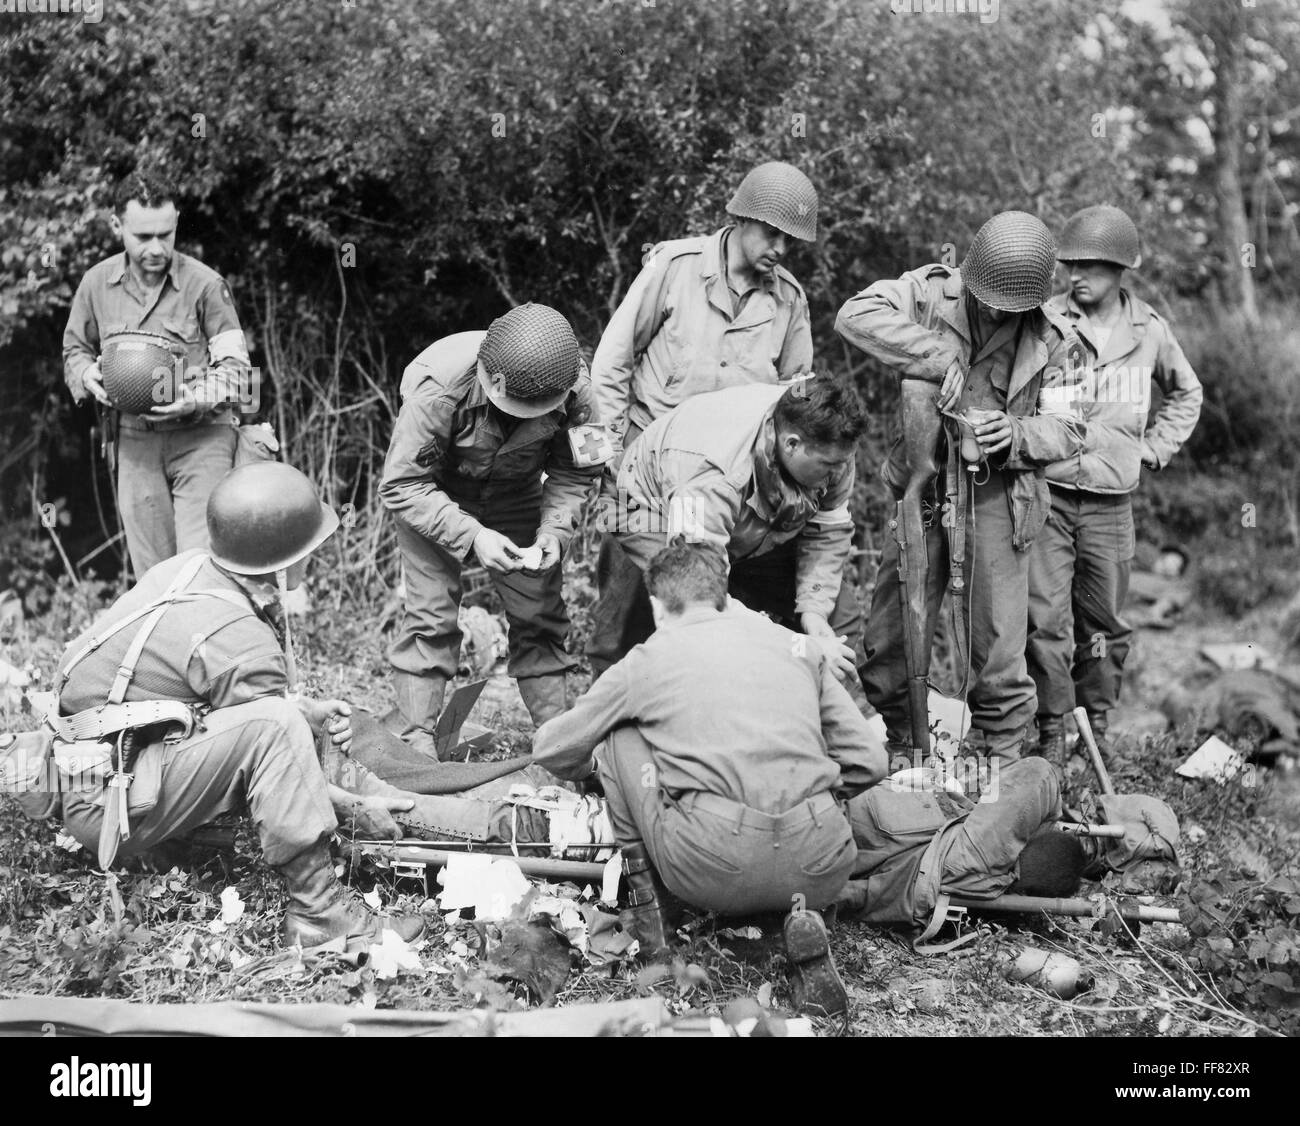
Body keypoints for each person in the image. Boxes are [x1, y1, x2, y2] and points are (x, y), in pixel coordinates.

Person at [47, 462, 423, 951]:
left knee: (281, 717)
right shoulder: (239, 636)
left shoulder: (189, 568)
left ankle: (167, 846)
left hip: (91, 773)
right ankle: (319, 914)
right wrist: (356, 807)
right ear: (283, 561)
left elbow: (208, 688)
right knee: (276, 727)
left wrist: (301, 708)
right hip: (108, 808)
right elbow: (272, 744)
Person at [534, 540, 888, 1012]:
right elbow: (870, 759)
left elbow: (552, 746)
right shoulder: (794, 645)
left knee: (618, 737)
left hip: (711, 868)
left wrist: (593, 770)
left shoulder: (648, 658)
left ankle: (653, 921)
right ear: (724, 595)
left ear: (658, 606)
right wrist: (807, 794)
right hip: (822, 863)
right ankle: (788, 925)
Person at [835, 211, 1086, 763]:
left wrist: (1015, 432)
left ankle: (998, 757)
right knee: (891, 629)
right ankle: (906, 742)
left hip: (1000, 492)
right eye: (990, 296)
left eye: (1011, 306)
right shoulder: (930, 293)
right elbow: (855, 315)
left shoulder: (1057, 340)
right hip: (921, 484)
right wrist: (932, 352)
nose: (996, 310)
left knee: (997, 644)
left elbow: (1070, 430)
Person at [586, 160, 821, 675]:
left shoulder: (789, 302)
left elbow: (797, 407)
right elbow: (612, 363)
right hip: (643, 475)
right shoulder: (675, 267)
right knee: (618, 623)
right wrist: (607, 456)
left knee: (708, 614)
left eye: (791, 241)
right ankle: (602, 737)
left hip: (728, 490)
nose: (780, 249)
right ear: (740, 218)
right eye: (772, 233)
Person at [379, 304, 606, 756]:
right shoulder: (437, 387)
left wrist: (554, 531)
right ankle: (415, 744)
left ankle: (559, 742)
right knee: (431, 617)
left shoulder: (578, 392)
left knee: (539, 612)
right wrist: (473, 535)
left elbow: (578, 472)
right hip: (433, 494)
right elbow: (402, 483)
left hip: (516, 492)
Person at [1027, 205, 1203, 759]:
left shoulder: (1149, 330)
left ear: (1122, 269)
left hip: (1111, 502)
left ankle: (1095, 733)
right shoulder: (1043, 320)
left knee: (1105, 625)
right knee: (1044, 620)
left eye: (1093, 267)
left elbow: (1186, 393)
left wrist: (1154, 449)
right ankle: (1052, 732)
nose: (1077, 276)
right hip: (1047, 495)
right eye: (1071, 264)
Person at [600, 378, 870, 681]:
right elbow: (698, 591)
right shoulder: (714, 472)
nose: (839, 472)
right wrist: (801, 645)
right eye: (829, 465)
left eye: (843, 463)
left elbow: (828, 531)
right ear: (792, 444)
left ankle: (798, 719)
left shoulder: (831, 443)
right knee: (682, 627)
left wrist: (814, 614)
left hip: (749, 525)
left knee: (837, 619)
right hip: (647, 507)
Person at [63, 171, 253, 578]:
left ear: (177, 223)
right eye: (143, 236)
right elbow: (74, 350)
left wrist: (196, 397)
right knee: (155, 579)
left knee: (201, 570)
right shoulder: (96, 284)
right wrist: (86, 376)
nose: (156, 247)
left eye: (165, 235)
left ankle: (210, 641)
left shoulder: (206, 285)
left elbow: (239, 372)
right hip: (134, 445)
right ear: (117, 226)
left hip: (201, 439)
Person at [834, 758, 1087, 938]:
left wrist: (1046, 823)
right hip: (876, 858)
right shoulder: (981, 882)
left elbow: (1039, 773)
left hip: (842, 818)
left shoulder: (983, 851)